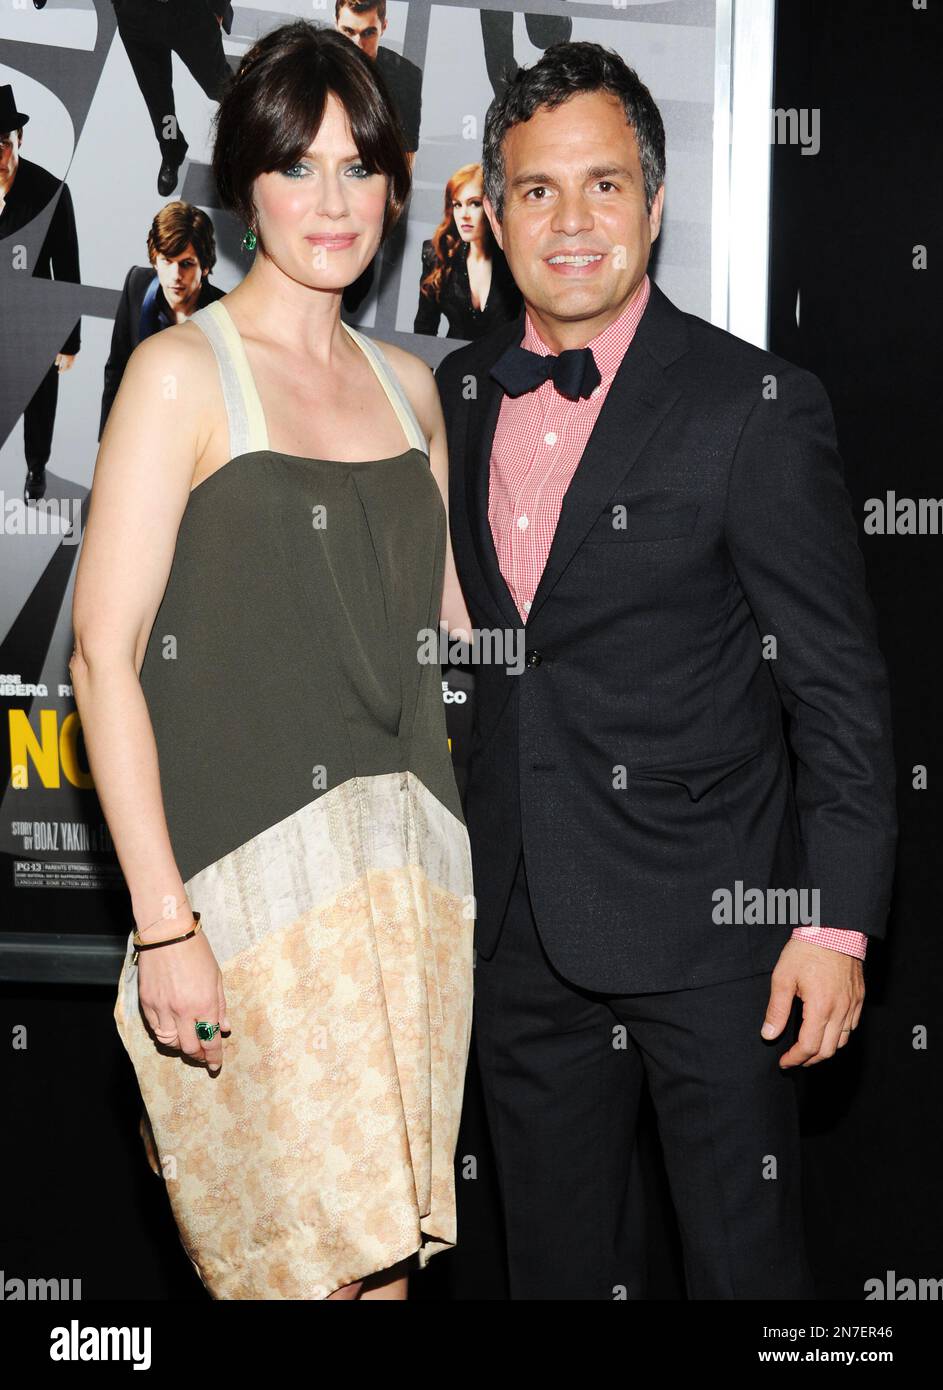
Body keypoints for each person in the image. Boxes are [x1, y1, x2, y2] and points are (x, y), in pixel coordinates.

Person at [434, 41, 897, 1299]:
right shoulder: (459, 389)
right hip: (520, 931)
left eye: (602, 186)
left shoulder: (752, 403)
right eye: (536, 190)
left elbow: (838, 692)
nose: (571, 222)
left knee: (746, 1277)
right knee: (554, 1275)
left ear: (653, 201)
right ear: (494, 207)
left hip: (718, 946)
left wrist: (835, 924)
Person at [70, 20, 473, 1301]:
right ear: (245, 186)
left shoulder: (413, 394)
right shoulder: (181, 376)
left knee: (381, 1270)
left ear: (395, 187)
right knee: (298, 1275)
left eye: (359, 167)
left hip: (411, 893)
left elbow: (458, 646)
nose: (333, 199)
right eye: (298, 166)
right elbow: (101, 657)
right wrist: (165, 922)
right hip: (243, 908)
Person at [0, 83, 81, 499]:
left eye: (3, 143)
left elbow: (66, 269)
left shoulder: (51, 192)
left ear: (19, 140)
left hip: (34, 318)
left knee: (39, 396)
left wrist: (69, 341)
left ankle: (36, 467)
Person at [99, 201, 224, 439]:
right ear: (155, 260)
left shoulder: (226, 313)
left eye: (187, 264)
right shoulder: (136, 285)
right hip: (140, 432)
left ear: (205, 266)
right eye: (167, 261)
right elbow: (117, 367)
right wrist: (108, 441)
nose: (176, 275)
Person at [111, 0, 233, 194]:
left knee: (219, 86)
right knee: (158, 99)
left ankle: (255, 127)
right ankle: (171, 149)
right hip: (135, 16)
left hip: (188, 14)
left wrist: (217, 7)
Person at [414, 162, 521, 340]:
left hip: (503, 364)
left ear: (493, 207)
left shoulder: (515, 257)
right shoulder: (437, 255)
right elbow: (424, 330)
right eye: (457, 205)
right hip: (452, 363)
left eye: (474, 204)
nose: (464, 214)